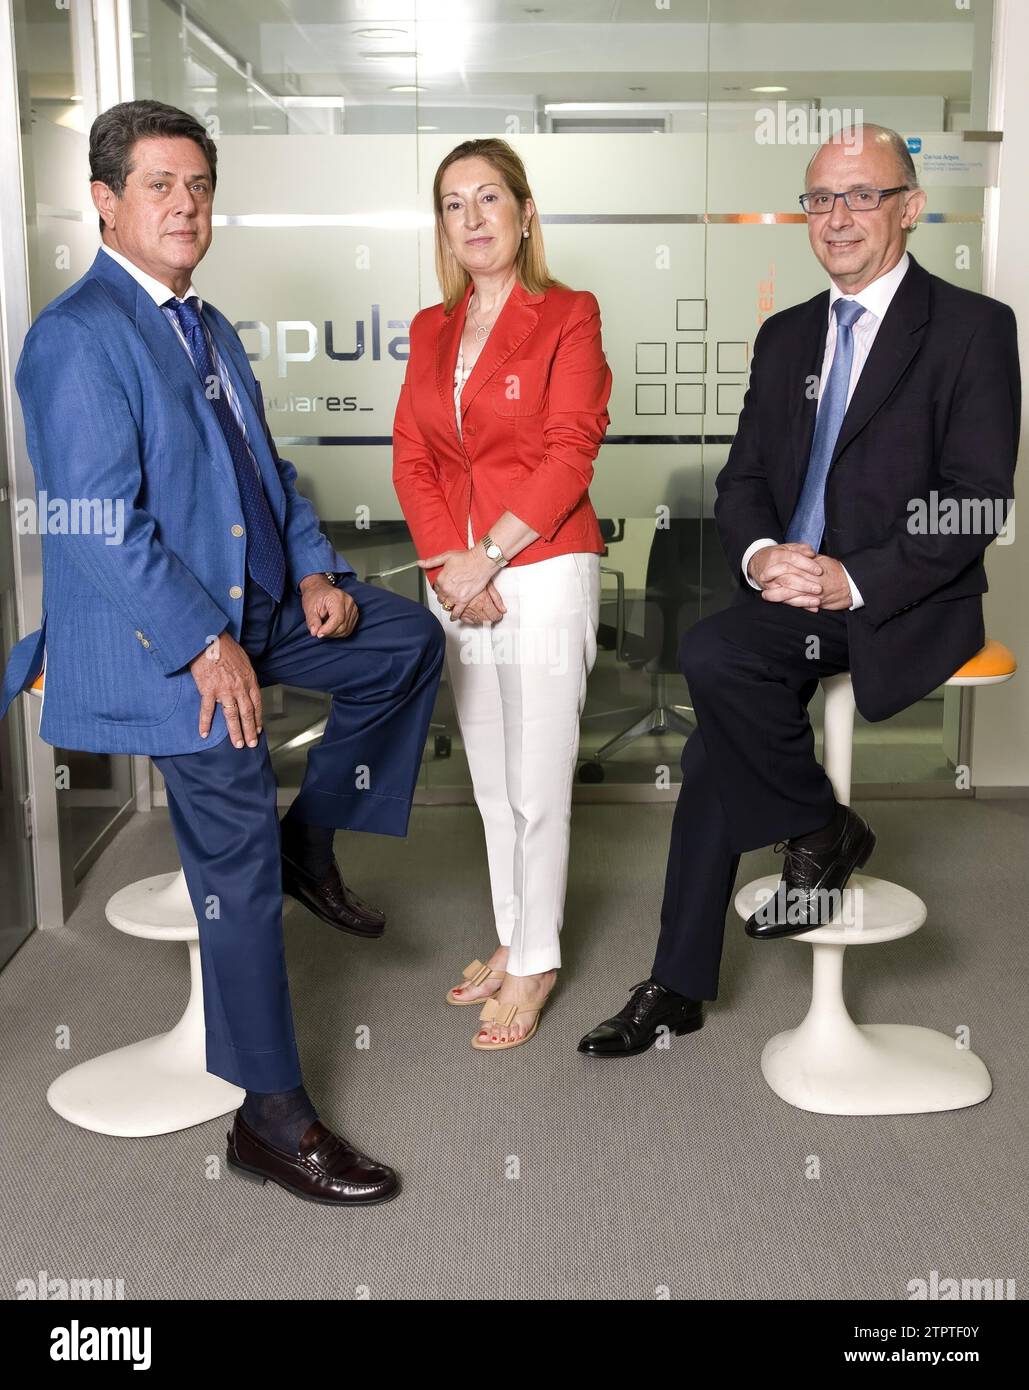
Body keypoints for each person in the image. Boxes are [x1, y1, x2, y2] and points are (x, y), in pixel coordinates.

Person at [0, 100, 444, 1203]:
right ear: (104, 203)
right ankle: (271, 1118)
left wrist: (315, 569)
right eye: (160, 185)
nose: (187, 204)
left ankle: (317, 839)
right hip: (165, 635)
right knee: (233, 863)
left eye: (198, 183)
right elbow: (98, 521)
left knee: (407, 641)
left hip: (260, 602)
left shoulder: (206, 323)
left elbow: (269, 475)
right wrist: (203, 642)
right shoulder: (77, 334)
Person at [580, 124, 1019, 1057]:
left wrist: (852, 576)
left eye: (862, 195)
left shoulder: (974, 329)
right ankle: (709, 949)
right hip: (786, 595)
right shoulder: (786, 336)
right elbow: (741, 480)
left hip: (898, 600)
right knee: (713, 744)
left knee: (709, 662)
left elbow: (975, 504)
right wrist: (759, 558)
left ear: (909, 206)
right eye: (820, 198)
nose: (838, 217)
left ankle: (797, 854)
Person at [392, 138, 612, 1050]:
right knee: (488, 777)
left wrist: (487, 555)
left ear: (524, 214)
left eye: (490, 198)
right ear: (442, 224)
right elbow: (411, 457)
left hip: (545, 565)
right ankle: (514, 930)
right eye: (453, 203)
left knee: (537, 780)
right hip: (461, 577)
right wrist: (450, 560)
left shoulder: (567, 313)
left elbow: (571, 447)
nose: (472, 218)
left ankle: (538, 956)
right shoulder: (430, 328)